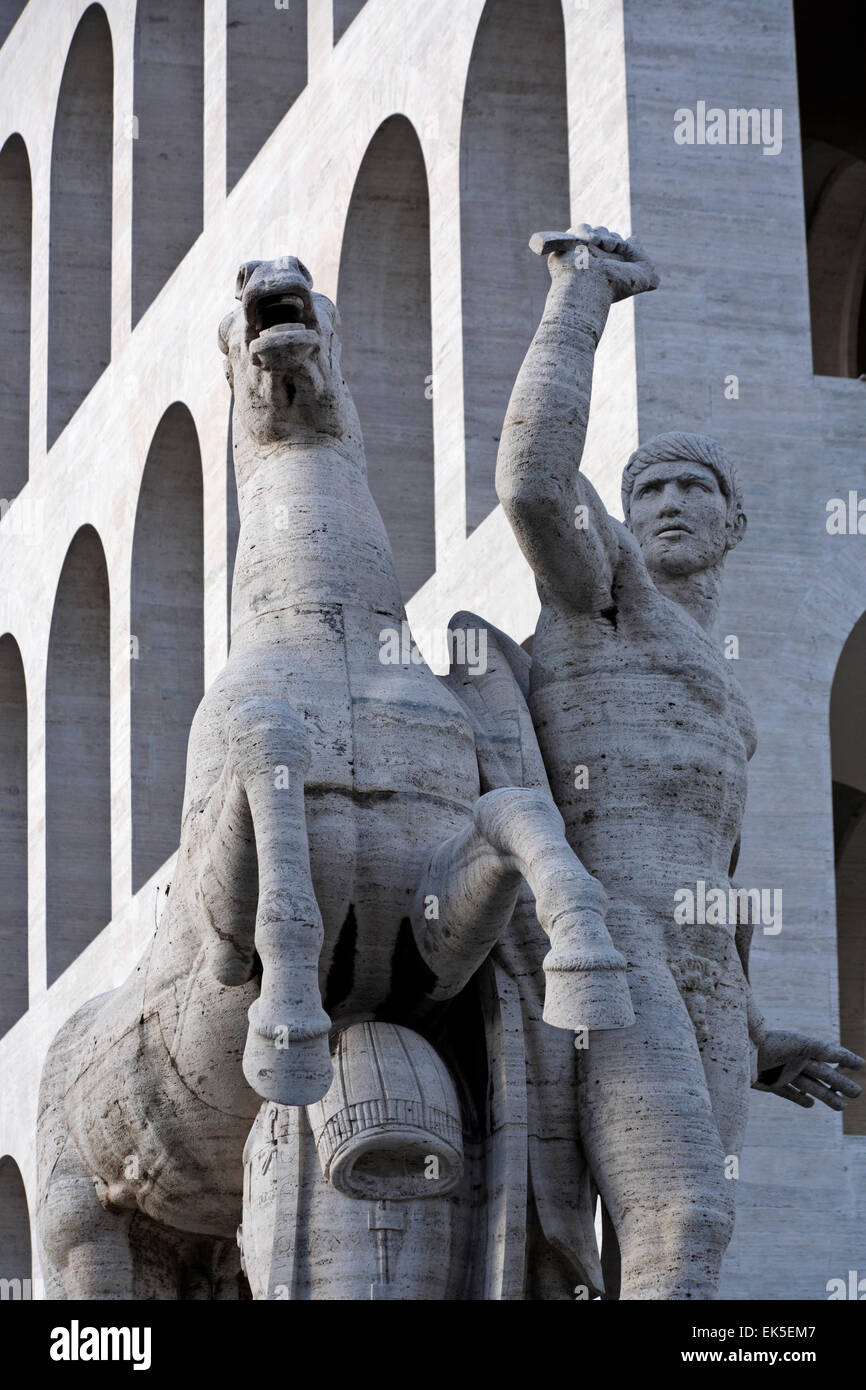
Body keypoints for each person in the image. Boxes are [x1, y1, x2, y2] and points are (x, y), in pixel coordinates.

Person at [494, 223, 863, 1299]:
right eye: (644, 490)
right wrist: (578, 300)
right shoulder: (601, 593)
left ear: (731, 518)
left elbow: (720, 874)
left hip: (700, 972)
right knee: (682, 1212)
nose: (661, 504)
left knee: (694, 1238)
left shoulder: (728, 693)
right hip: (603, 935)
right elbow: (528, 482)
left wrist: (752, 1030)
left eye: (687, 488)